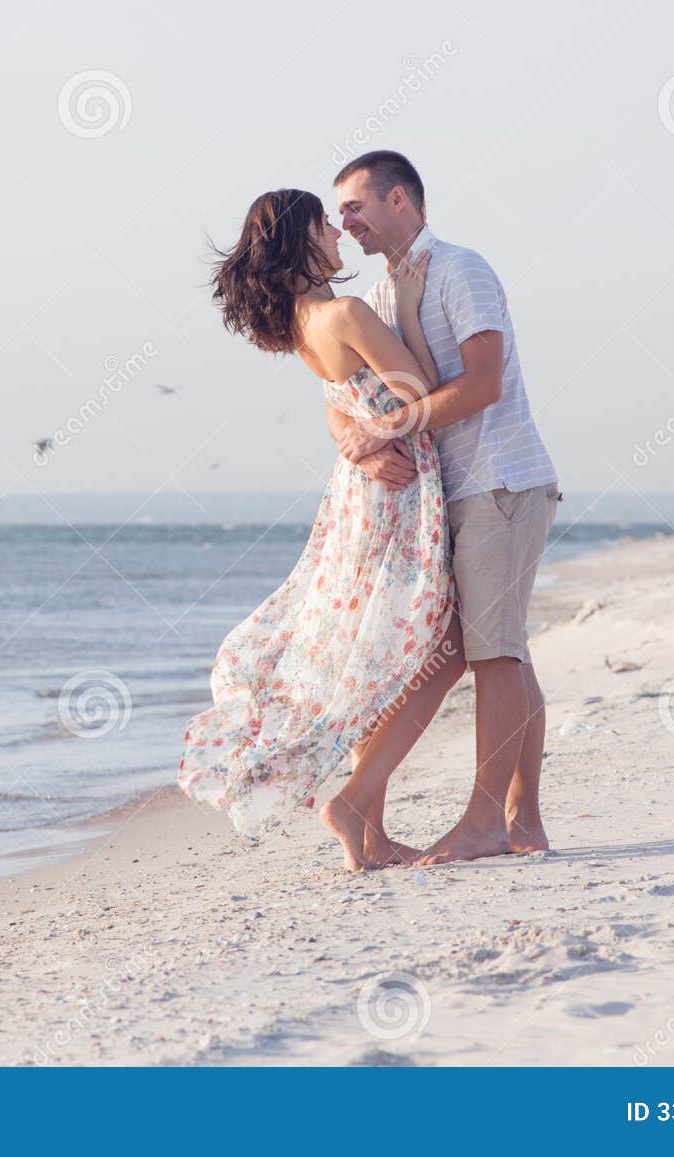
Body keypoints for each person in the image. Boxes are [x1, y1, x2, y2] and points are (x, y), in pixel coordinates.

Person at [177, 187, 466, 870]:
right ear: (300, 240)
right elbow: (422, 388)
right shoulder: (346, 312)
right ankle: (353, 805)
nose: (338, 232)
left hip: (358, 497)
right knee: (442, 646)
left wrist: (357, 438)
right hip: (395, 494)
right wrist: (409, 308)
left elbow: (342, 405)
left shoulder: (301, 324)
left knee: (372, 655)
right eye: (324, 225)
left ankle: (371, 830)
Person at [328, 150, 562, 865]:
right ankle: (522, 820)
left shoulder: (462, 270)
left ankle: (485, 821)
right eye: (339, 214)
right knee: (502, 650)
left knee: (494, 652)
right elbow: (346, 400)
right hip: (441, 499)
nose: (346, 223)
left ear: (400, 199)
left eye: (355, 207)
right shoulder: (377, 295)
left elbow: (484, 383)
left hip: (500, 480)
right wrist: (364, 447)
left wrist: (391, 427)